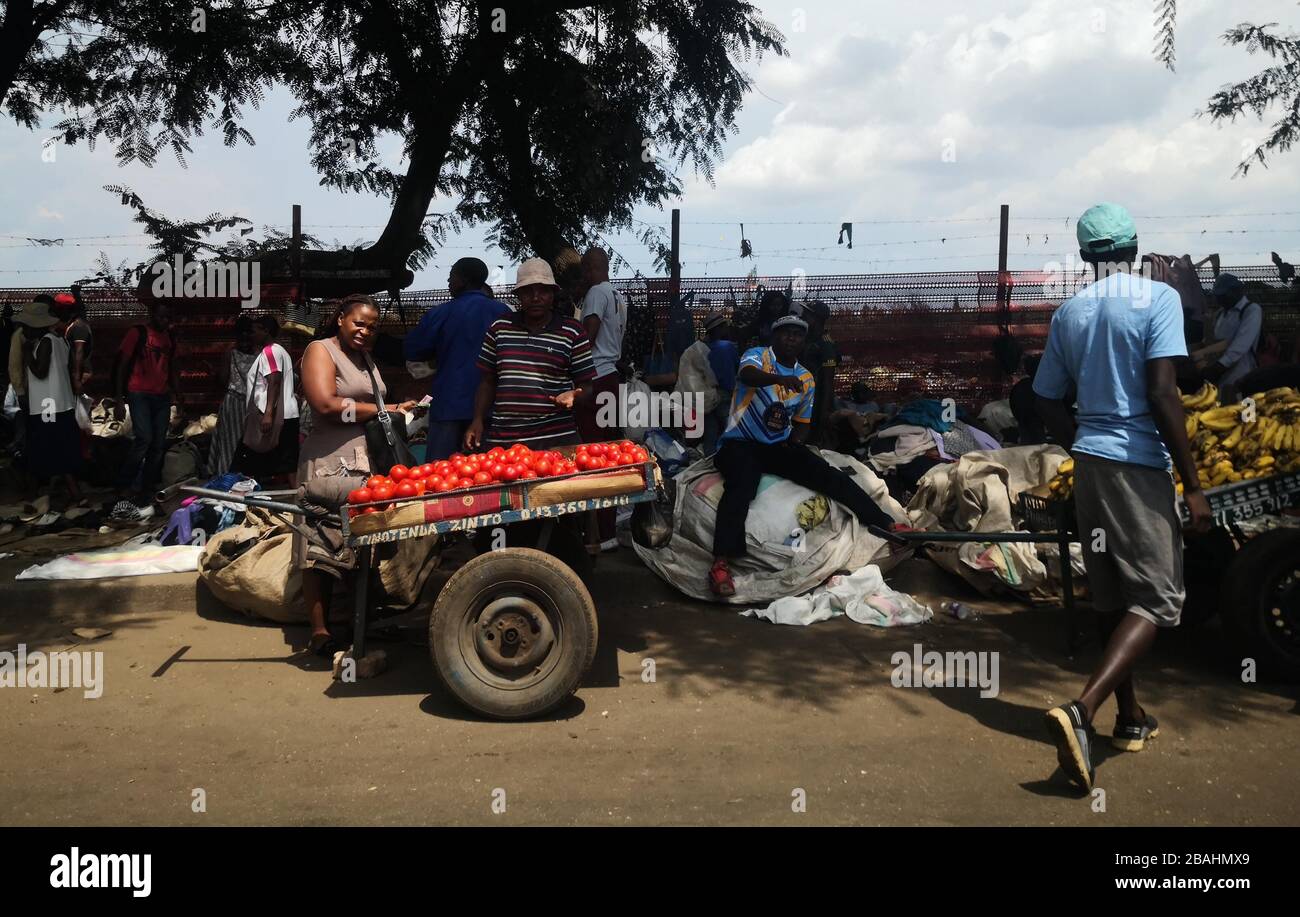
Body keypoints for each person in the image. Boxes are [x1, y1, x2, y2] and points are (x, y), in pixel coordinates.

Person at [1034, 202, 1211, 793]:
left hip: (1091, 468)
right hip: (1139, 467)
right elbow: (1164, 394)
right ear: (1135, 246)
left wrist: (1081, 443)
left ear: (1085, 255)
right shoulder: (1156, 300)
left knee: (1113, 594)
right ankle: (1082, 711)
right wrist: (1194, 484)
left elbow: (1046, 399)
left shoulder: (1069, 313)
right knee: (1159, 598)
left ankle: (1128, 718)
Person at [707, 314, 898, 597]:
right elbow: (746, 375)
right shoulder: (758, 357)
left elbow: (803, 424)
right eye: (785, 333)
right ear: (774, 337)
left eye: (797, 335)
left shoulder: (806, 377)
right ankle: (721, 562)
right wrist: (780, 378)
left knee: (828, 475)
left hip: (776, 446)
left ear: (802, 342)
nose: (791, 338)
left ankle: (886, 523)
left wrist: (794, 443)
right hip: (740, 443)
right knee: (741, 485)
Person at [298, 294, 418, 656]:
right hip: (330, 460)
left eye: (373, 327)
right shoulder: (321, 350)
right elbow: (325, 405)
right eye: (359, 323)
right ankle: (319, 631)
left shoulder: (364, 359)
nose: (366, 331)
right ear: (340, 319)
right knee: (320, 544)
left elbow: (372, 406)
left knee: (359, 541)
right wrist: (387, 409)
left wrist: (398, 413)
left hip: (366, 461)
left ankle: (357, 620)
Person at [466, 258, 596, 451]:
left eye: (543, 290)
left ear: (553, 294)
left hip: (557, 438)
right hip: (505, 440)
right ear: (518, 294)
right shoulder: (499, 328)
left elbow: (587, 387)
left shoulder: (572, 331)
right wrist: (477, 419)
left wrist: (574, 396)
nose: (536, 297)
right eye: (528, 291)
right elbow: (487, 381)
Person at [403, 258, 509, 461]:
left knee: (440, 475)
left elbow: (413, 350)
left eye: (452, 276)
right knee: (490, 473)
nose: (449, 281)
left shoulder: (440, 313)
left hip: (448, 407)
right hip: (492, 409)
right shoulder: (503, 313)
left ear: (462, 280)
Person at [576, 247, 628, 550]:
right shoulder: (620, 297)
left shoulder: (596, 293)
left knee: (590, 455)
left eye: (584, 269)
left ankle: (594, 533)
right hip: (610, 377)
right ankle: (606, 532)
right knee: (608, 455)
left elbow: (588, 335)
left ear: (590, 268)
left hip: (594, 378)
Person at [114, 301, 181, 504]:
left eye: (168, 317)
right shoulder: (137, 333)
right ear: (152, 314)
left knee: (158, 444)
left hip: (161, 396)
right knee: (144, 438)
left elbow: (173, 368)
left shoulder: (170, 337)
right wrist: (118, 398)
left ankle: (146, 488)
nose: (165, 321)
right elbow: (122, 365)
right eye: (161, 316)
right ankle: (124, 485)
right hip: (138, 394)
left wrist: (177, 396)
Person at [15, 298, 82, 500]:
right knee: (59, 447)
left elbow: (41, 371)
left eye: (26, 326)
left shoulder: (44, 342)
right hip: (62, 403)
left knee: (45, 447)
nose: (24, 330)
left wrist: (27, 355)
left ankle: (51, 492)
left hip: (47, 404)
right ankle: (71, 491)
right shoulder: (61, 341)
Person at [232, 315, 300, 482]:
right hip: (286, 414)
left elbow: (274, 381)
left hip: (272, 415)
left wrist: (268, 414)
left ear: (265, 331)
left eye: (254, 331)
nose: (251, 335)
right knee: (287, 463)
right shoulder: (280, 351)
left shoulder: (270, 351)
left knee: (248, 462)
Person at [1193, 273, 1263, 402]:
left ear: (1237, 291)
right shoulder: (1220, 313)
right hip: (1219, 377)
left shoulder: (1251, 310)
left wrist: (1218, 367)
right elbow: (1212, 342)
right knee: (1223, 414)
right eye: (1218, 296)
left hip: (1241, 374)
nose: (1220, 299)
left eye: (1224, 295)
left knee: (1245, 415)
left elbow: (1240, 346)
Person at [208, 316, 258, 475]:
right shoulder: (259, 354)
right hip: (253, 404)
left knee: (229, 442)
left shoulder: (231, 353)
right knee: (250, 442)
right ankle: (246, 476)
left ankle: (226, 475)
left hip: (234, 401)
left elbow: (223, 379)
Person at [797, 300, 841, 446]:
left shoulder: (826, 344)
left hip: (816, 401)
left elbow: (828, 381)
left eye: (807, 314)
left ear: (816, 319)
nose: (803, 317)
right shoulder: (807, 339)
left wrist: (824, 412)